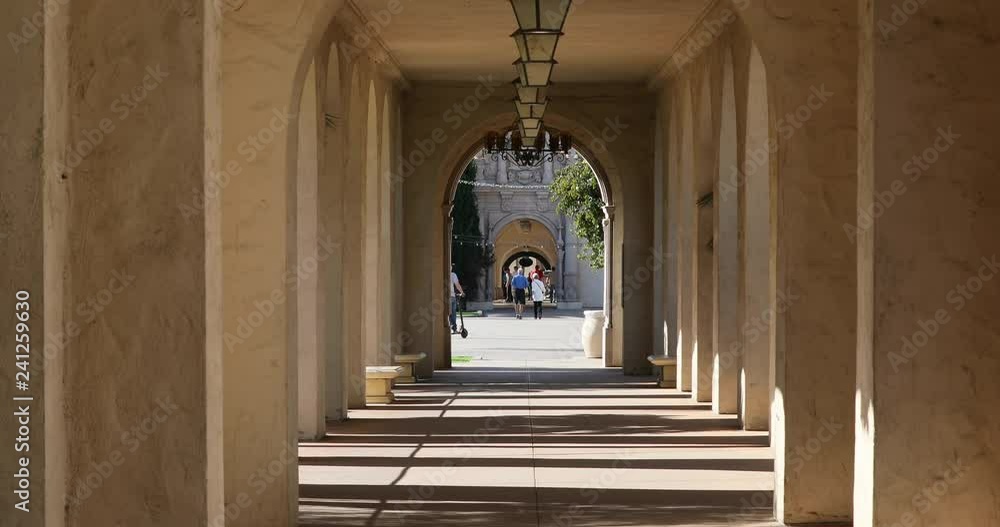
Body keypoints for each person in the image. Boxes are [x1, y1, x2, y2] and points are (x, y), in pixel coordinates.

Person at [450, 265, 465, 334]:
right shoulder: (453, 275)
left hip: (450, 297)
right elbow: (457, 285)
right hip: (452, 297)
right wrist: (462, 292)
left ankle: (453, 327)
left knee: (450, 313)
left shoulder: (441, 275)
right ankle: (453, 328)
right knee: (453, 313)